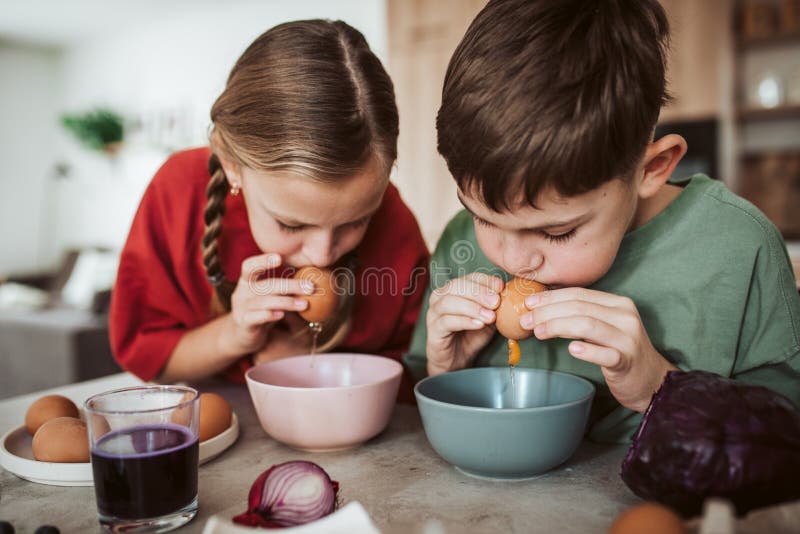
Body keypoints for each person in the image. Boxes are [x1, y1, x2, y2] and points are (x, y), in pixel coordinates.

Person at [404, 0, 800, 442]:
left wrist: (661, 388)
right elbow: (414, 410)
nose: (513, 259)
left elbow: (786, 433)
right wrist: (445, 373)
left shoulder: (740, 247)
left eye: (558, 232)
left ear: (651, 169)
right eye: (483, 217)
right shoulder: (460, 242)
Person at [110, 20, 429, 397]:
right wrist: (235, 334)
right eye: (291, 225)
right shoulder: (178, 191)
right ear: (231, 165)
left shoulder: (395, 224)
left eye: (356, 222)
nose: (323, 254)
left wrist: (315, 364)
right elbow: (149, 359)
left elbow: (417, 376)